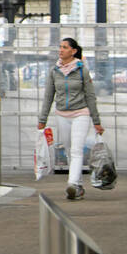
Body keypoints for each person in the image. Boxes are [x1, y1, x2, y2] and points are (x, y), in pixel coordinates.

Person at [37, 36, 104, 201]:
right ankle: (78, 186)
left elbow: (90, 96)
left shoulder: (82, 70)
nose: (61, 50)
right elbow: (48, 97)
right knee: (68, 149)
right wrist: (42, 119)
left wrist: (96, 121)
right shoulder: (54, 71)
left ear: (73, 51)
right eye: (60, 47)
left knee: (76, 150)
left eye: (65, 47)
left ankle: (72, 184)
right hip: (62, 115)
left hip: (81, 114)